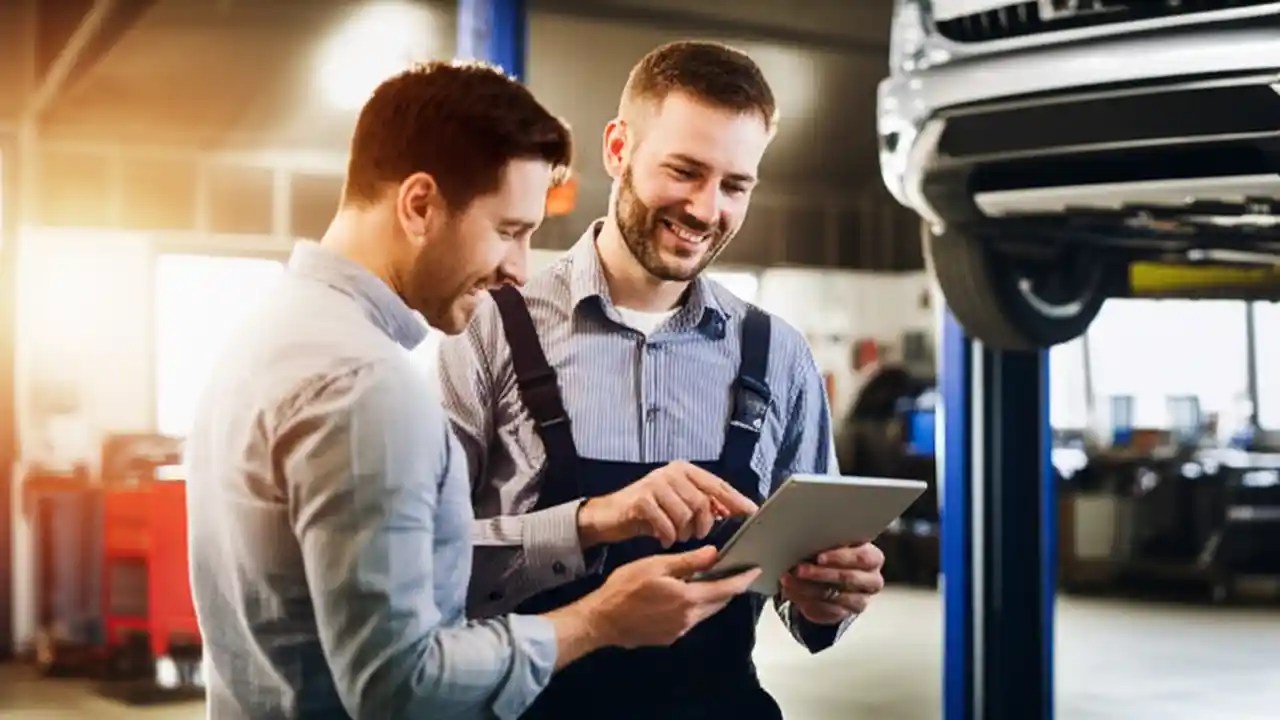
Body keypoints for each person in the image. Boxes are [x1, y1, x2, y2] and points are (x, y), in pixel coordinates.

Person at [184, 60, 761, 720]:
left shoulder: (272, 333)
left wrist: (595, 520)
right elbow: (402, 687)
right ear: (420, 204)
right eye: (510, 231)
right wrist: (600, 620)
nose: (519, 270)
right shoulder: (367, 388)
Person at [437, 41, 887, 719]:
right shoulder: (486, 330)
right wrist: (585, 525)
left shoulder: (777, 356)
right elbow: (425, 570)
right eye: (685, 171)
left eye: (735, 185)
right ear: (619, 149)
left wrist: (826, 598)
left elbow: (806, 599)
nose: (707, 210)